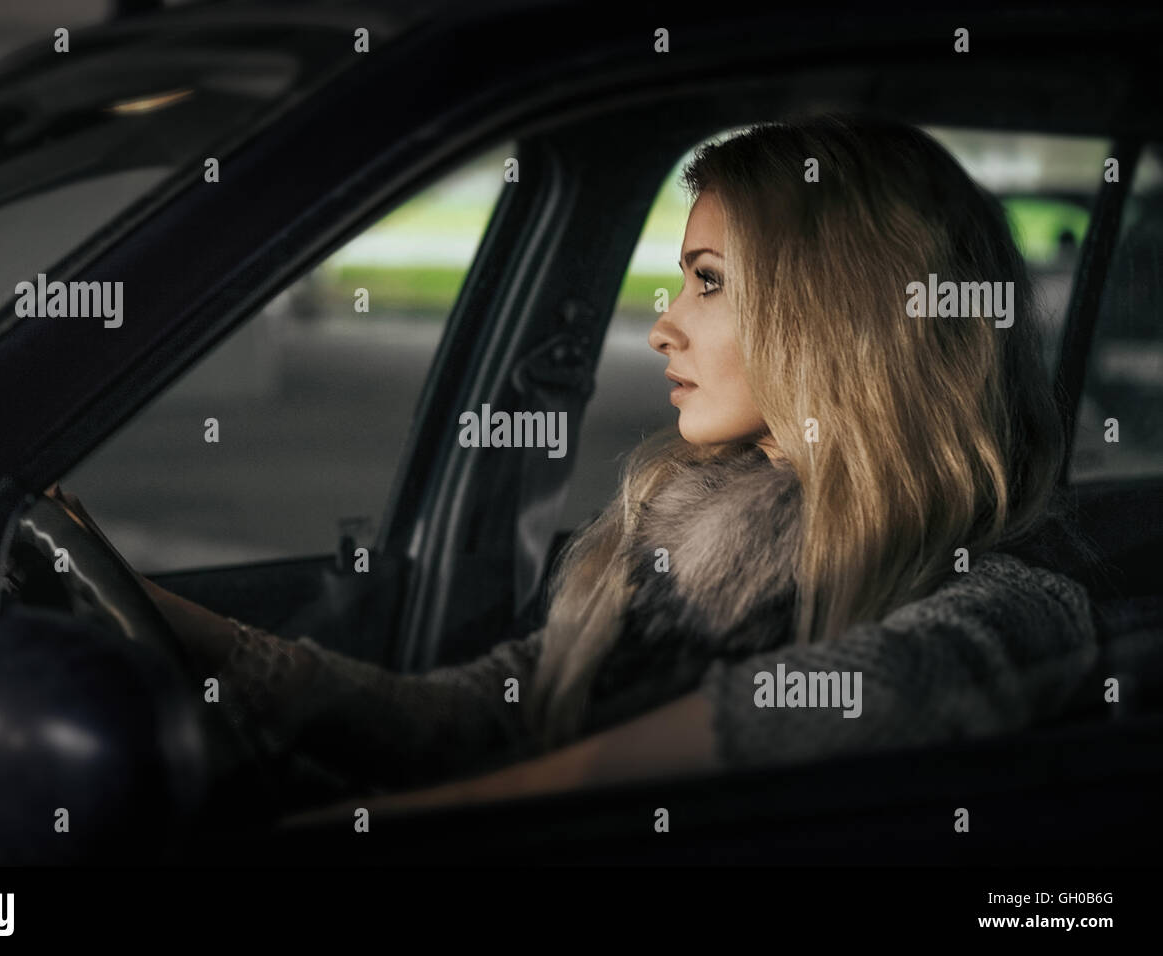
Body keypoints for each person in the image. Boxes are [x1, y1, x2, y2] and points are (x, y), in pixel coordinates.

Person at [58, 114, 1101, 819]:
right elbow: (483, 713)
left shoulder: (1010, 595)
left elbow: (848, 699)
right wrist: (174, 622)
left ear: (834, 313)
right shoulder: (667, 540)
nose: (662, 329)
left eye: (705, 283)